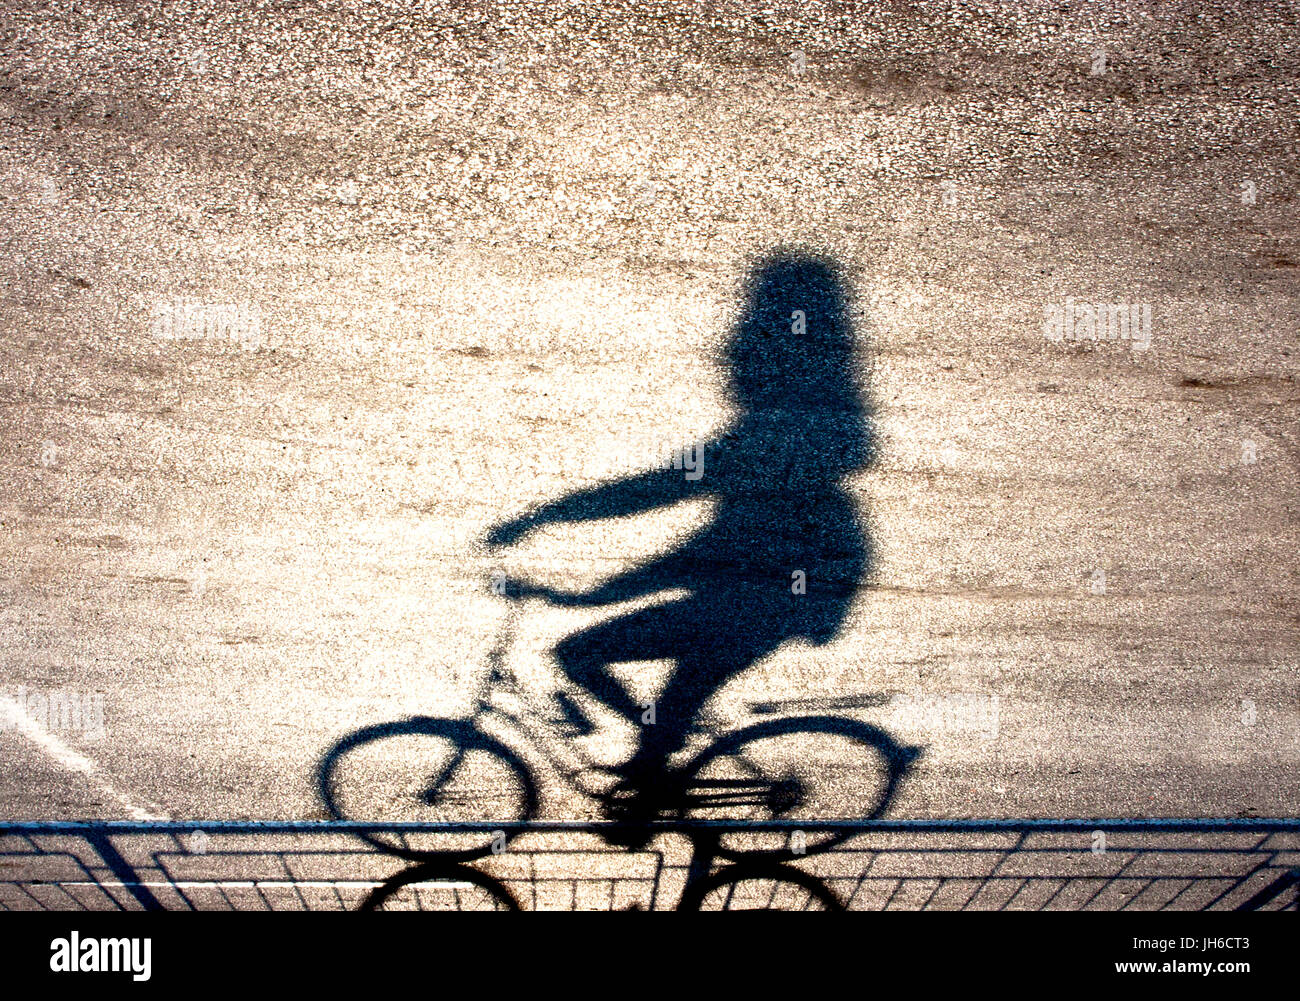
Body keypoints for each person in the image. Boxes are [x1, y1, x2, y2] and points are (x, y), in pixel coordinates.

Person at [485, 253, 874, 814]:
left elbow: (660, 511)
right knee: (619, 674)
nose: (727, 367)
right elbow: (682, 538)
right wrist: (579, 568)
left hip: (760, 606)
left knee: (593, 659)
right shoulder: (790, 443)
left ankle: (655, 769)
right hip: (770, 596)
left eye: (738, 357)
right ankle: (657, 757)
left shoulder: (757, 452)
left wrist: (547, 527)